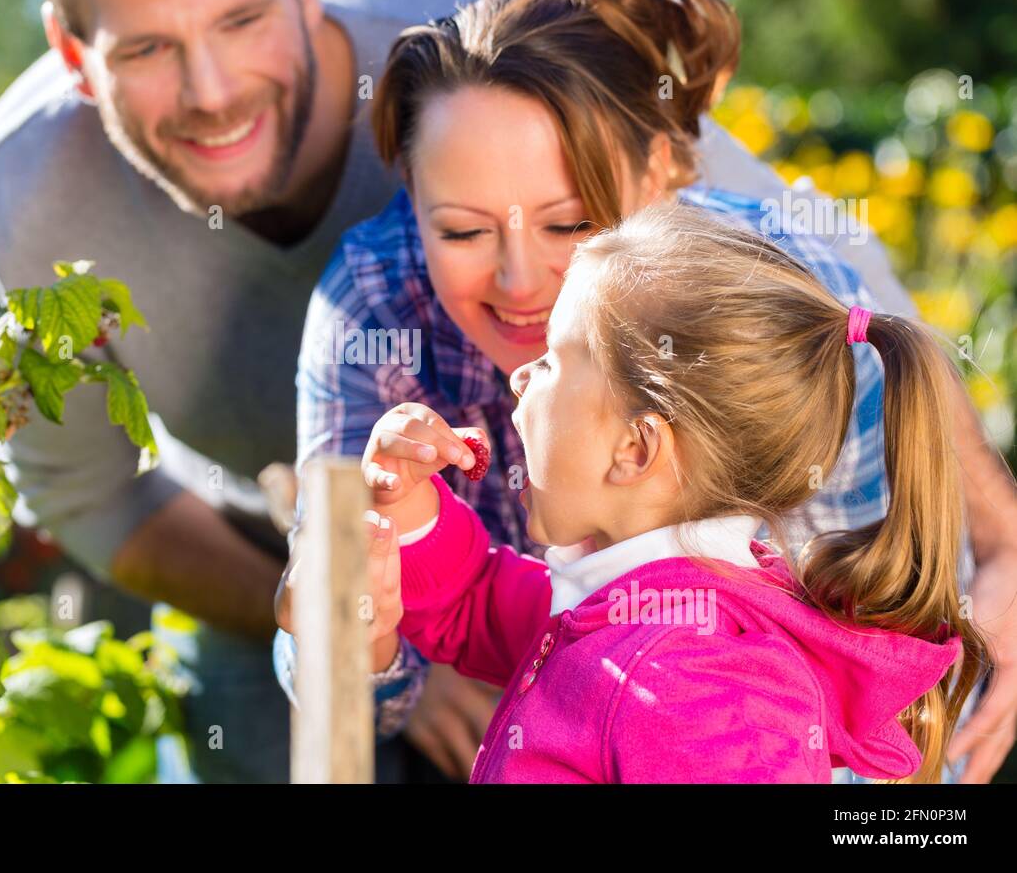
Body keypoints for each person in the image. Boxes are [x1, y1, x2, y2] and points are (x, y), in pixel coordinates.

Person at [275, 0, 1017, 783]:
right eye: (463, 229)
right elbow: (478, 599)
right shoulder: (610, 597)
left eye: (571, 222)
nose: (523, 282)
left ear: (662, 175)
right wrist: (394, 535)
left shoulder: (701, 683)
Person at [0, 0, 496, 782]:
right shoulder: (21, 197)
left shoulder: (491, 51)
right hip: (259, 564)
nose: (211, 92)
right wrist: (332, 620)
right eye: (146, 49)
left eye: (241, 21)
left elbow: (763, 288)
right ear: (71, 51)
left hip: (554, 553)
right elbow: (89, 497)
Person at [350, 201, 989, 782]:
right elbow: (473, 607)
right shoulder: (624, 608)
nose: (519, 377)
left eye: (551, 360)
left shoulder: (698, 685)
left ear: (636, 449)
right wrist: (406, 506)